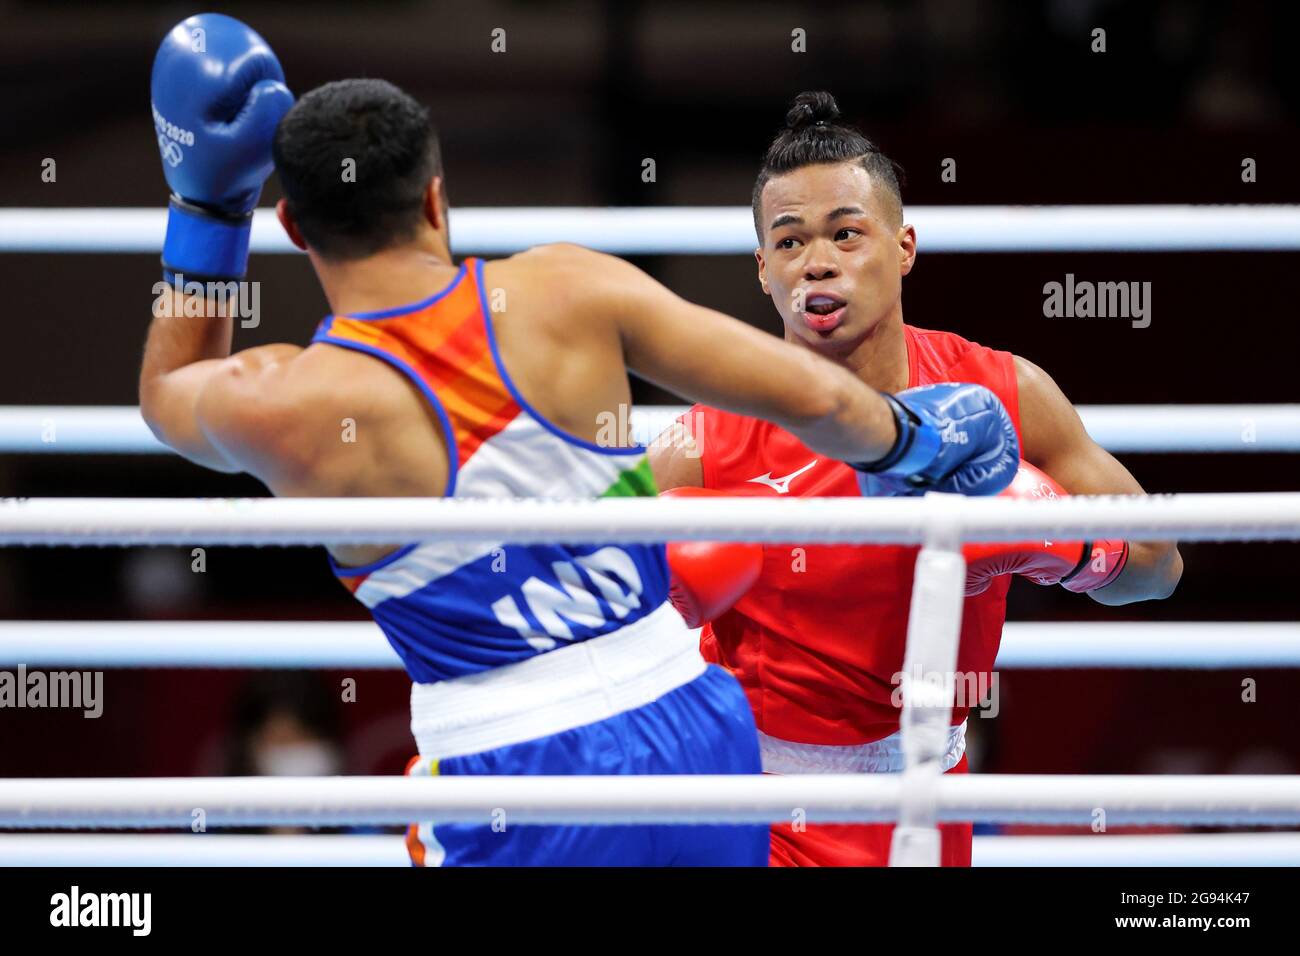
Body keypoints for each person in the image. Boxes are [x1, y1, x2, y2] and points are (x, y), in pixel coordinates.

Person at [139, 18, 1018, 866]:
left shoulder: (284, 402)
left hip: (515, 772)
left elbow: (168, 394)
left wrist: (209, 207)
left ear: (292, 230)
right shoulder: (571, 290)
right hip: (695, 729)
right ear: (438, 200)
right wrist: (912, 439)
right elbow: (806, 392)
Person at [651, 91, 1183, 867]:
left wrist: (1066, 544)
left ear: (904, 247)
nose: (819, 261)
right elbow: (573, 568)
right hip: (749, 805)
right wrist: (661, 597)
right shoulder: (708, 434)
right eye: (791, 242)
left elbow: (1160, 569)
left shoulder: (1007, 393)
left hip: (932, 798)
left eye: (845, 233)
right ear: (764, 270)